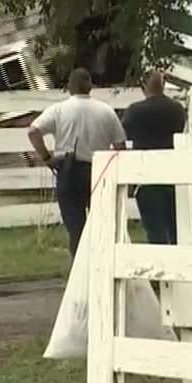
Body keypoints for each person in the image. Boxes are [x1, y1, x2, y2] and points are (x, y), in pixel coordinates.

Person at [27, 67, 127, 257]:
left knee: (75, 227)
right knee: (102, 223)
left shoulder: (59, 109)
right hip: (98, 170)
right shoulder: (106, 111)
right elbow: (120, 146)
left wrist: (47, 157)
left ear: (70, 86)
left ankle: (79, 265)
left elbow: (33, 131)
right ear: (90, 86)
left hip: (69, 169)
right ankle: (102, 263)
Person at [122, 70, 188, 245]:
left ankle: (159, 256)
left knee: (154, 228)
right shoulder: (176, 109)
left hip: (146, 175)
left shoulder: (134, 111)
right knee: (175, 227)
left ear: (144, 86)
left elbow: (126, 134)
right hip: (171, 174)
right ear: (163, 85)